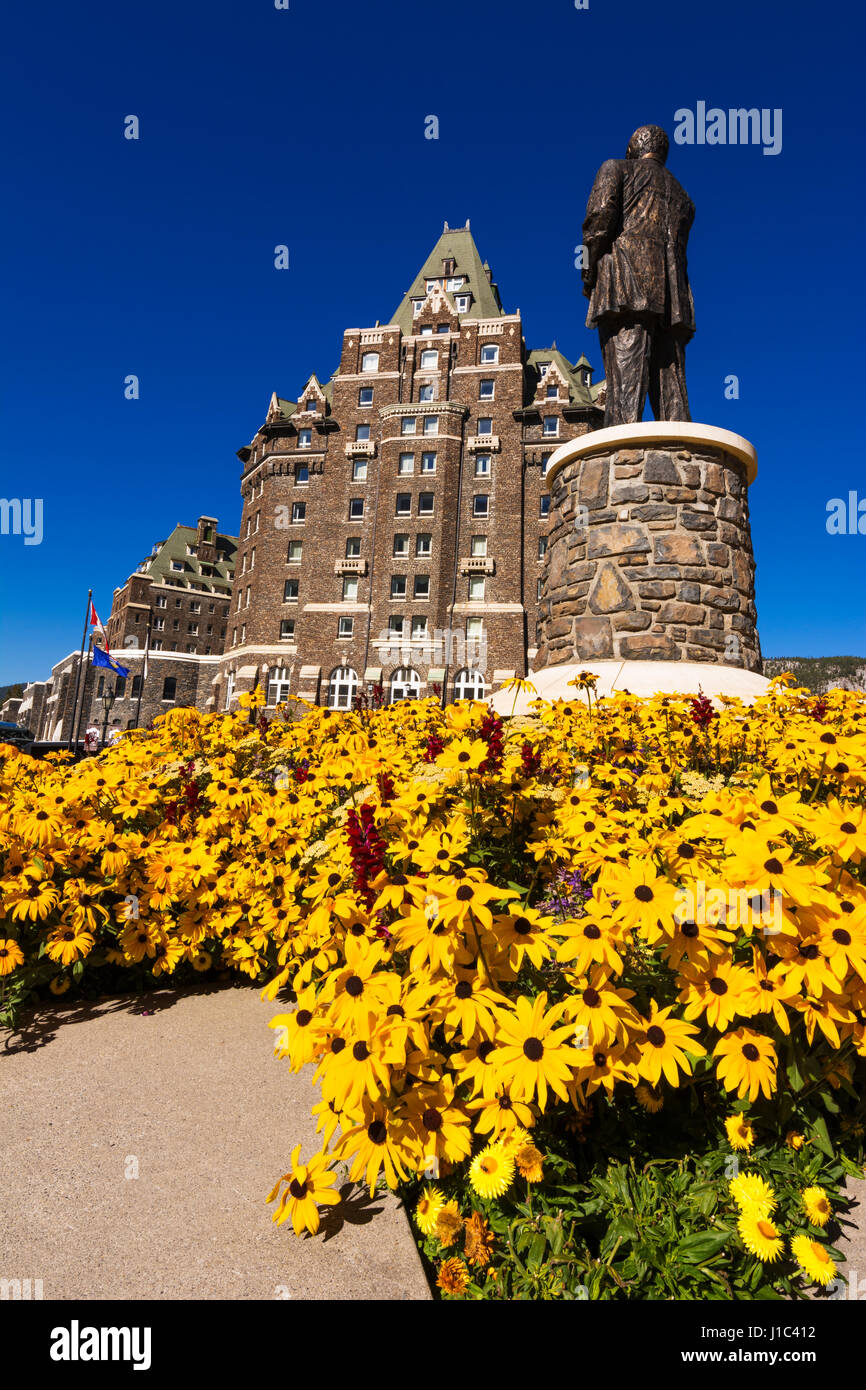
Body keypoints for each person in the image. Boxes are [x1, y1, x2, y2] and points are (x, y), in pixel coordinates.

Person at [582, 124, 695, 426]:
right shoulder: (684, 198)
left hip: (626, 286)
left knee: (623, 387)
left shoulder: (615, 168)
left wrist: (588, 270)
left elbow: (599, 220)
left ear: (632, 148)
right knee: (671, 386)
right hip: (673, 301)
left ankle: (620, 460)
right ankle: (683, 454)